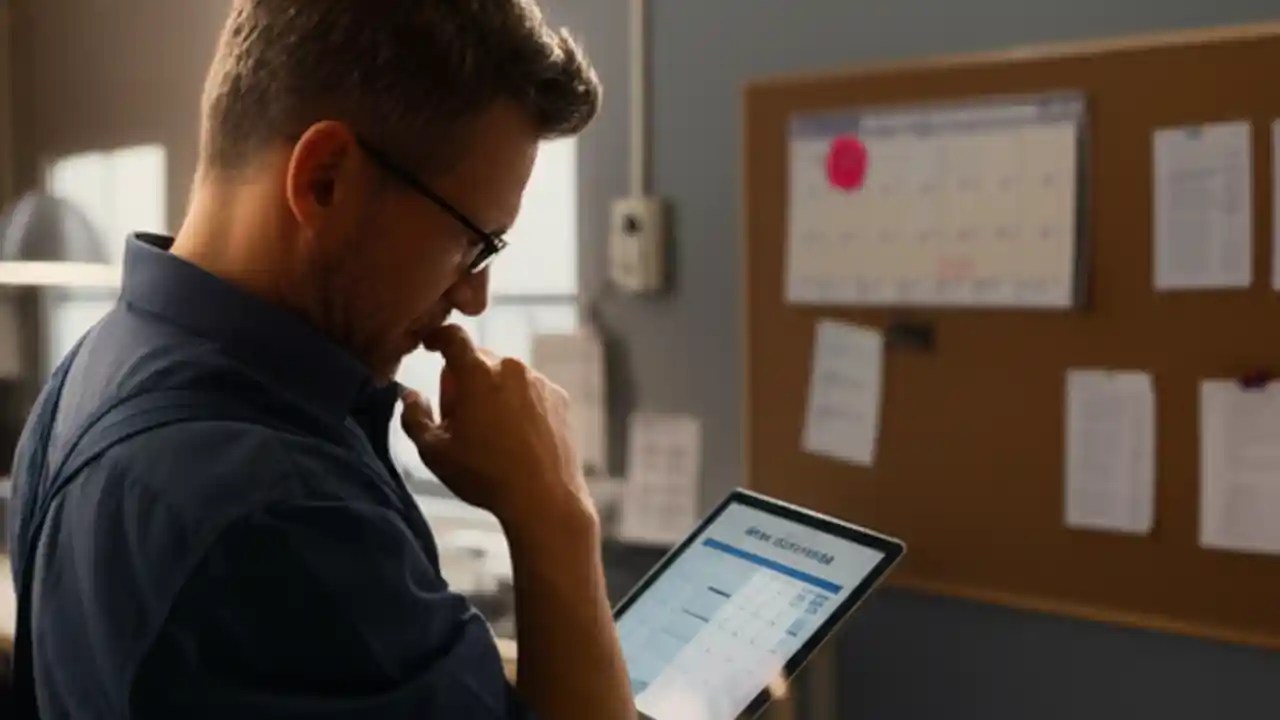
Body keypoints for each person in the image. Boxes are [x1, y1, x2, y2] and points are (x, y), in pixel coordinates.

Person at [7, 1, 634, 718]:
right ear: (324, 179)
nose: (474, 295)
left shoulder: (89, 371)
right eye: (474, 241)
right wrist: (556, 515)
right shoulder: (284, 515)